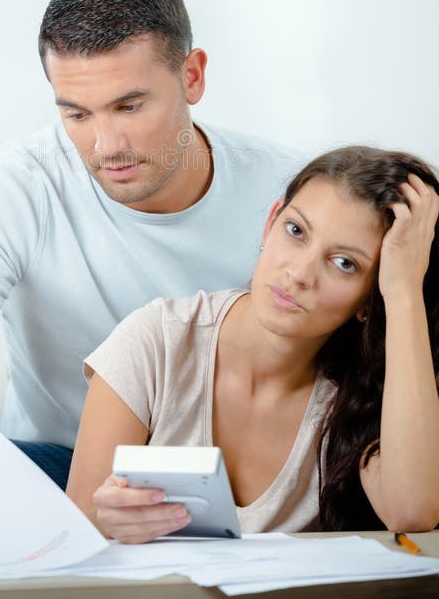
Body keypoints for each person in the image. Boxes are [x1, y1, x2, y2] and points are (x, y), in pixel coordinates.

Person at [0, 0, 299, 557]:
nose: (106, 146)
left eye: (130, 107)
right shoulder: (15, 188)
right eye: (77, 114)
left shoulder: (290, 194)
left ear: (191, 77)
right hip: (56, 463)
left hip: (223, 464)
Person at [66, 146, 439, 539]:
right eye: (296, 231)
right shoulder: (156, 340)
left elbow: (412, 513)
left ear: (371, 297)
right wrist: (108, 518)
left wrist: (403, 294)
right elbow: (81, 526)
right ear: (270, 223)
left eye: (345, 263)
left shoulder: (368, 390)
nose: (298, 274)